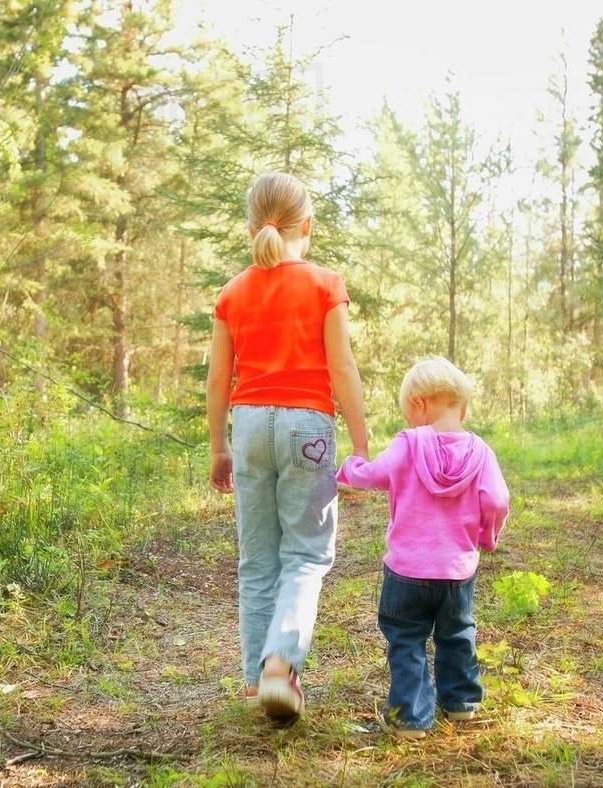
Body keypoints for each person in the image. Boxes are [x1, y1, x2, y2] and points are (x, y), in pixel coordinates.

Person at [206, 172, 369, 721]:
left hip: (248, 425)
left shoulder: (232, 292)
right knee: (305, 555)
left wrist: (217, 448)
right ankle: (281, 664)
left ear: (252, 228)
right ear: (308, 226)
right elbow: (341, 369)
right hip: (307, 426)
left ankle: (258, 682)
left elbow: (217, 379)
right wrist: (362, 444)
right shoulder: (325, 284)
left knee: (258, 560)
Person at [336, 357, 509, 737]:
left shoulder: (408, 443)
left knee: (406, 638)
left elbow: (373, 474)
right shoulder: (481, 452)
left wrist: (349, 467)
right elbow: (496, 500)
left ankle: (411, 717)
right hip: (456, 572)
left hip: (406, 572)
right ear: (460, 406)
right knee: (457, 632)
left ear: (418, 405)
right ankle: (461, 701)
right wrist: (486, 536)